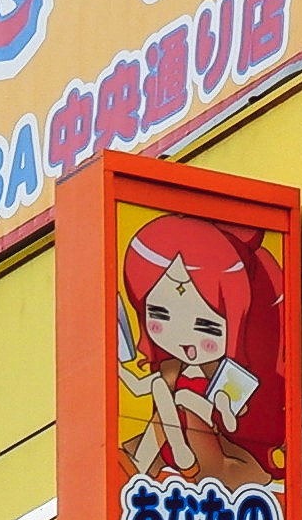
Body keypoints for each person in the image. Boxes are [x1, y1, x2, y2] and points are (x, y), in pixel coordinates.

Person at [119, 209, 288, 491]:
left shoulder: (232, 374)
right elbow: (138, 387)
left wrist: (223, 406)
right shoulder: (169, 369)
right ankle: (143, 463)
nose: (184, 338)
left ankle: (168, 458)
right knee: (164, 390)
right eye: (159, 314)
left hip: (208, 444)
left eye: (207, 327)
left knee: (181, 395)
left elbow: (231, 423)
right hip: (175, 445)